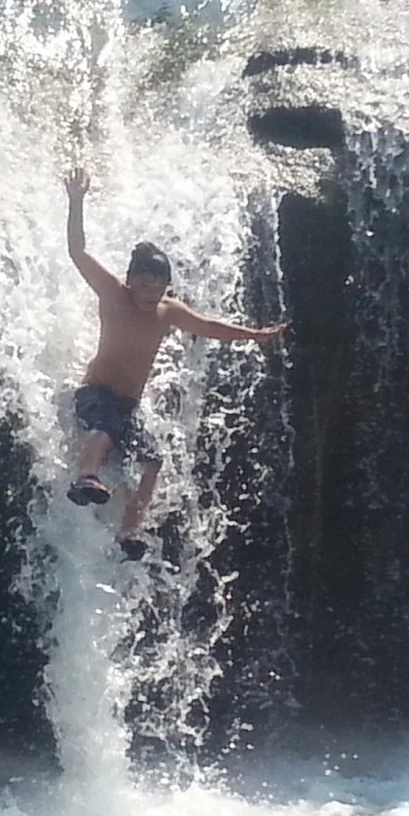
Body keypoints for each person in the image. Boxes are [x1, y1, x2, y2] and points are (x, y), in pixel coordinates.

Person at [64, 167, 284, 559]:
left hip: (128, 405)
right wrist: (76, 201)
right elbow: (78, 252)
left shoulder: (168, 312)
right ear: (129, 279)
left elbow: (209, 326)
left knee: (153, 459)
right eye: (142, 282)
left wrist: (254, 335)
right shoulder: (113, 294)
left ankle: (130, 530)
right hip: (95, 394)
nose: (148, 291)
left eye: (157, 283)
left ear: (167, 284)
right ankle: (87, 476)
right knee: (106, 425)